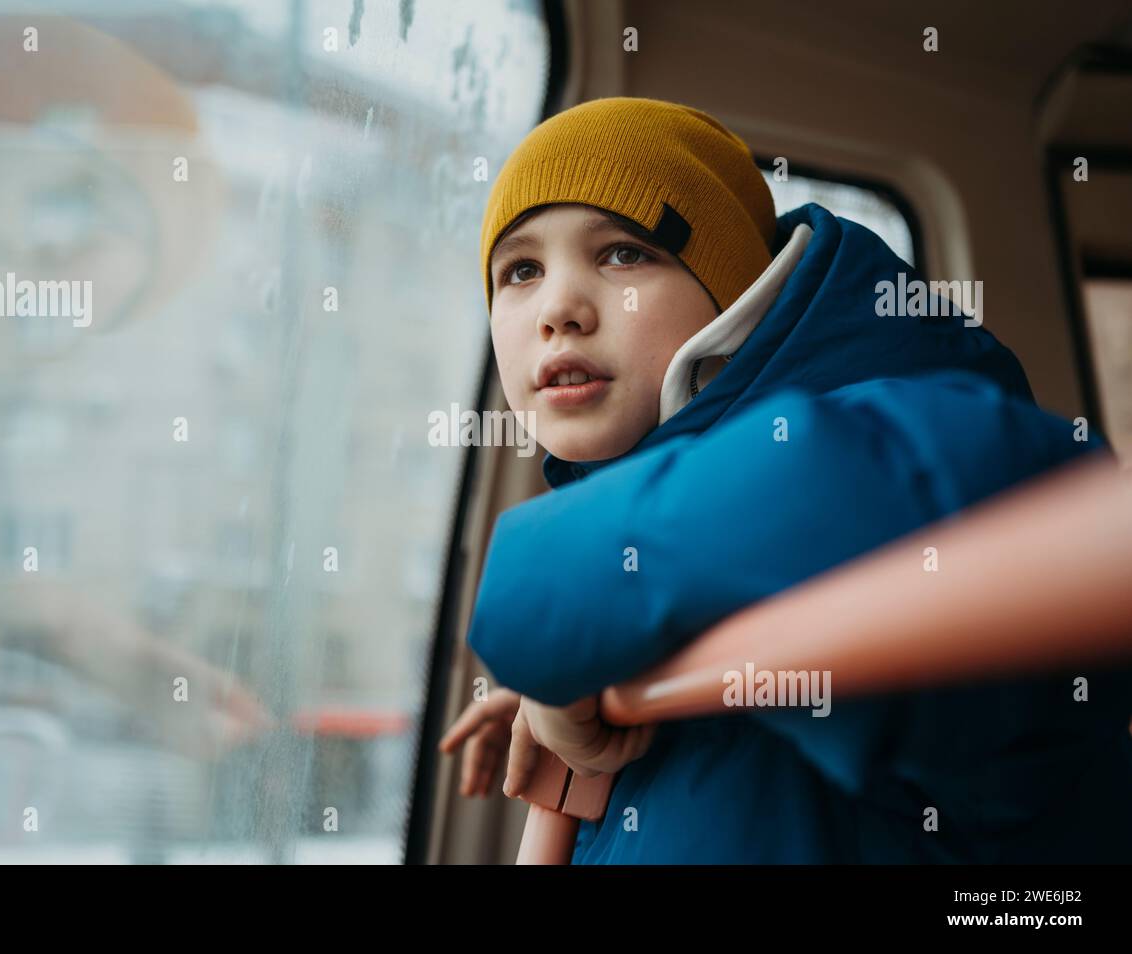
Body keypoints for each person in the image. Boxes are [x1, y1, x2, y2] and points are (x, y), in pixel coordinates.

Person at [441, 96, 1132, 863]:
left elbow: (1004, 500)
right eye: (521, 270)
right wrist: (579, 667)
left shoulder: (893, 409)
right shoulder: (630, 618)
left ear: (735, 296)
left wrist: (563, 595)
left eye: (623, 253)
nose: (558, 309)